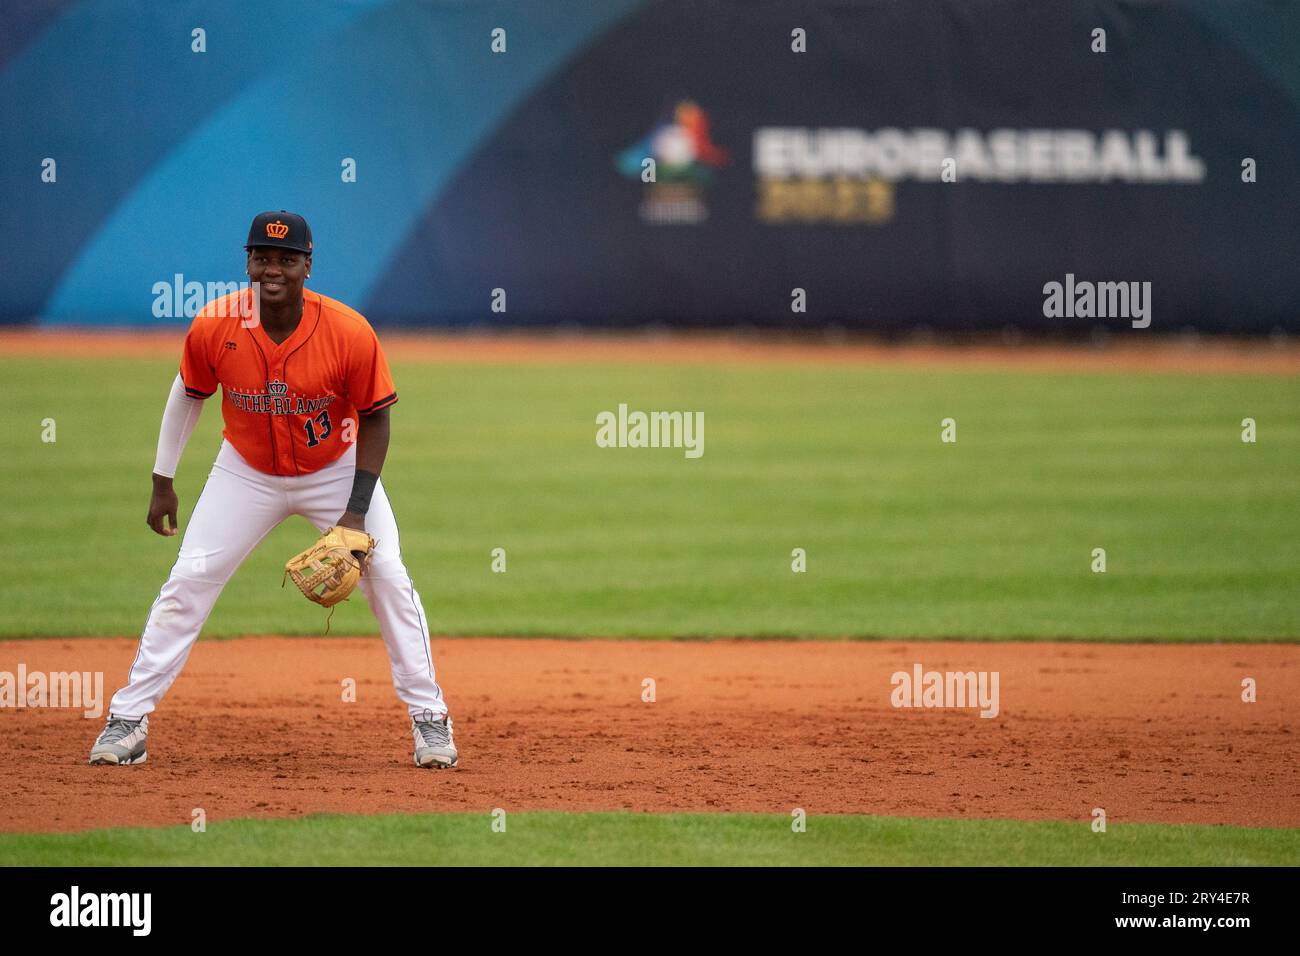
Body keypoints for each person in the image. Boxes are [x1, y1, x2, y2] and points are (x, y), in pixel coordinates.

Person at [88, 210, 457, 769]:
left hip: (334, 472)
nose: (273, 269)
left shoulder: (348, 331)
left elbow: (376, 418)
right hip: (246, 471)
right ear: (247, 262)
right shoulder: (216, 325)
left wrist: (355, 514)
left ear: (308, 265)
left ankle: (430, 719)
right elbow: (189, 393)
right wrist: (163, 479)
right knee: (190, 577)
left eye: (287, 259)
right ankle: (128, 720)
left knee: (388, 577)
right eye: (262, 257)